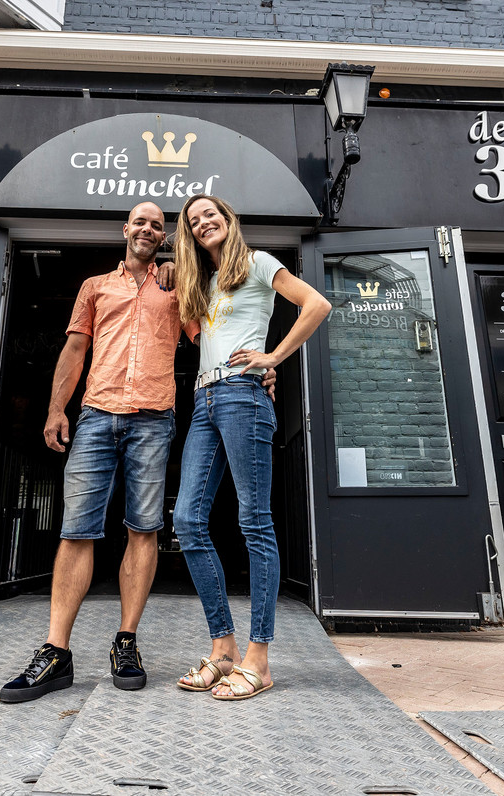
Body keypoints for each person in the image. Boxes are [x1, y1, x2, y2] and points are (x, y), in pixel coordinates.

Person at [0, 201, 273, 703]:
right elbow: (75, 349)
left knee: (143, 528)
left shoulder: (176, 287)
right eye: (139, 221)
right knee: (77, 528)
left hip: (153, 418)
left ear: (164, 237)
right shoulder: (94, 287)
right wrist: (56, 408)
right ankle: (55, 651)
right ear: (125, 229)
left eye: (157, 224)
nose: (147, 228)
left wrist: (262, 365)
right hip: (97, 414)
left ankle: (126, 642)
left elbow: (212, 333)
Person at [171, 194, 331, 701]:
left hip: (243, 394)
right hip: (203, 400)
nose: (203, 224)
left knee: (253, 521)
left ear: (229, 218)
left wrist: (273, 358)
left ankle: (258, 658)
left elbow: (316, 304)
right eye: (194, 222)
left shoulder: (259, 263)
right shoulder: (201, 280)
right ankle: (223, 649)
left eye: (210, 215)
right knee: (187, 521)